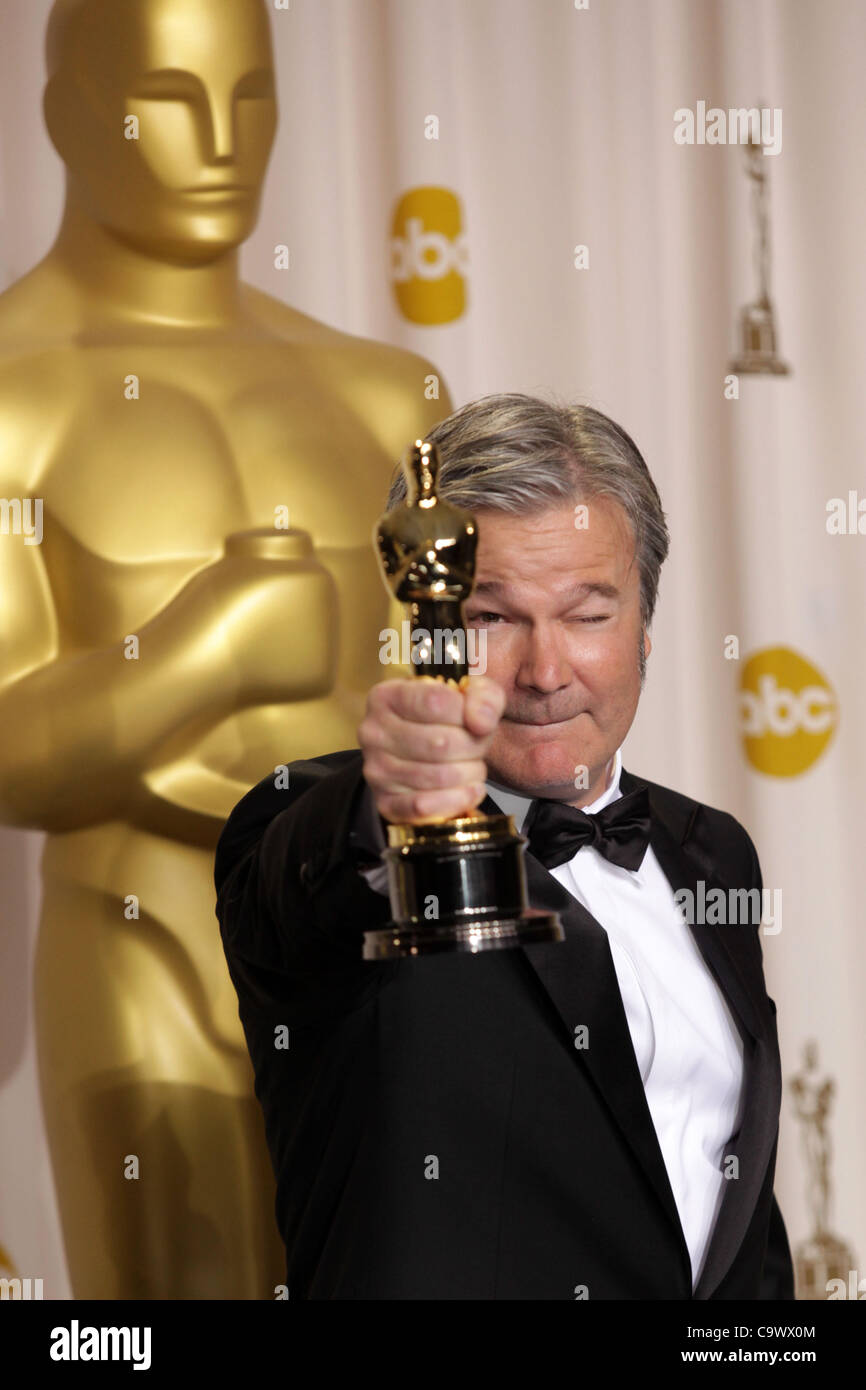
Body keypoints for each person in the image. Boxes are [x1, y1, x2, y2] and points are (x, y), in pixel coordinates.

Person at [215, 393, 795, 1300]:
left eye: (588, 614)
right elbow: (321, 890)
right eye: (493, 617)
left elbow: (727, 1204)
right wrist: (393, 799)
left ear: (645, 627)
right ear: (429, 625)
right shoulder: (320, 824)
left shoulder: (711, 851)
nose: (545, 671)